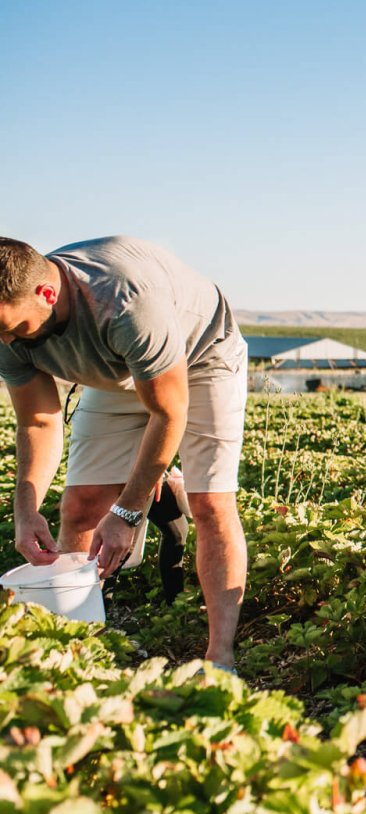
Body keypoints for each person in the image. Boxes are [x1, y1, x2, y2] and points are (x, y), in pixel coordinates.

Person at [0, 236, 248, 669]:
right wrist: (25, 507)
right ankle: (78, 651)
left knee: (212, 504)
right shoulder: (6, 322)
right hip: (120, 369)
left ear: (46, 294)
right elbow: (37, 421)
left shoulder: (125, 301)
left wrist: (129, 511)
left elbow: (169, 412)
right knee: (81, 506)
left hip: (201, 356)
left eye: (14, 329)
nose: (6, 341)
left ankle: (219, 659)